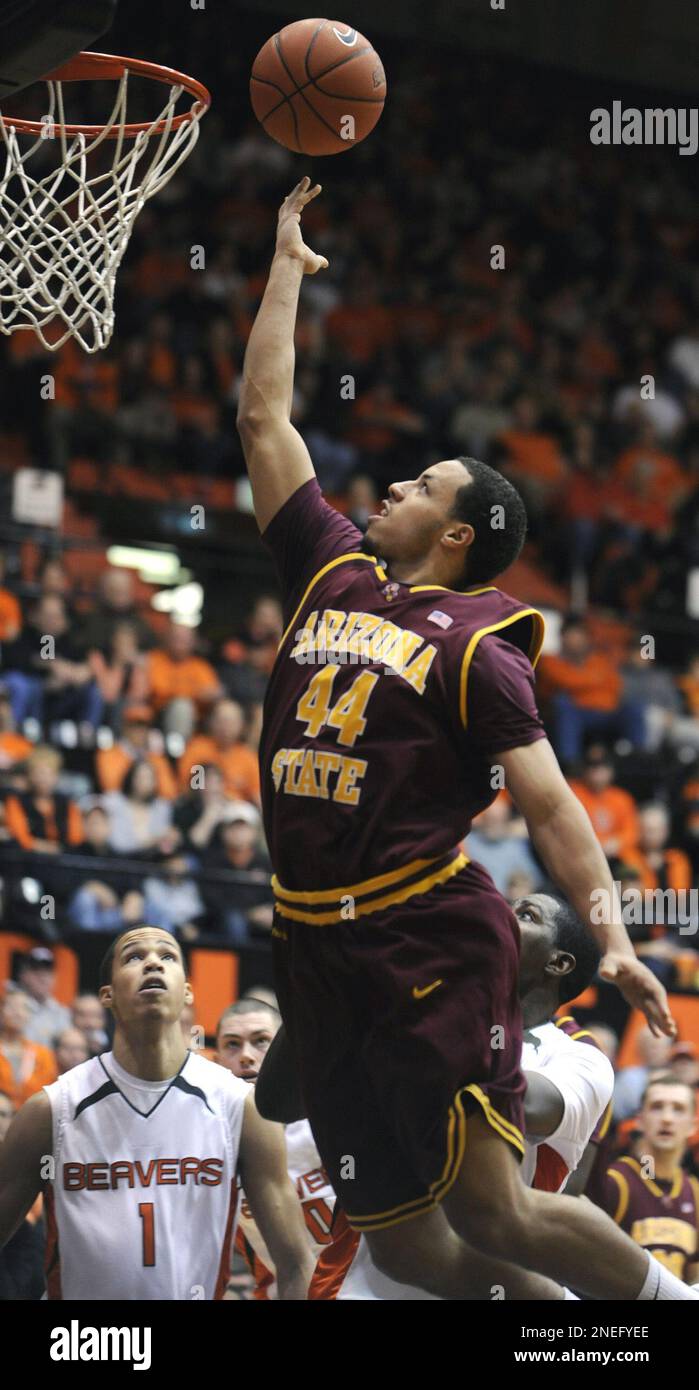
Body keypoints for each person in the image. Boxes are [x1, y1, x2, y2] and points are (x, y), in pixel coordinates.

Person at [236, 177, 686, 1303]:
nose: (387, 486)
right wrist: (287, 265)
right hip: (315, 940)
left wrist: (613, 934)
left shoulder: (483, 647)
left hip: (424, 933)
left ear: (455, 531)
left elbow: (550, 806)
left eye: (417, 484)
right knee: (405, 1246)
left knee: (494, 1207)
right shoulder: (334, 571)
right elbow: (263, 420)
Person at [258, 892, 614, 1300]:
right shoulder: (405, 1013)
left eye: (525, 915)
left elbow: (527, 1104)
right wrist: (329, 981)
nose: (497, 913)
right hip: (351, 1288)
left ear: (558, 962)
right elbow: (277, 1102)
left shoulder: (576, 1058)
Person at [0, 925, 314, 1300]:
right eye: (134, 956)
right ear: (108, 995)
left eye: (167, 956)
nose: (152, 962)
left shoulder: (239, 1106)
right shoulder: (52, 1109)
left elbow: (295, 1264)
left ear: (187, 992)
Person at [216, 998, 336, 1300]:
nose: (245, 1056)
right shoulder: (212, 1145)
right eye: (232, 1045)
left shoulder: (332, 1120)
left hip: (363, 1286)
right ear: (216, 1060)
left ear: (285, 1053)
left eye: (261, 1041)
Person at [596, 1075, 699, 1283]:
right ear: (640, 1120)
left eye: (678, 1109)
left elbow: (694, 1278)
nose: (667, 1118)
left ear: (692, 1125)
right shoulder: (616, 1181)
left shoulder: (694, 1191)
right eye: (657, 1107)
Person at [177, 699, 260, 803]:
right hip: (202, 805)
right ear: (211, 722)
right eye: (222, 721)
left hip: (237, 810)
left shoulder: (247, 756)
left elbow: (257, 794)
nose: (226, 727)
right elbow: (191, 788)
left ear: (242, 726)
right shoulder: (197, 749)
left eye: (231, 722)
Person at [102, 759, 174, 856]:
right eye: (141, 777)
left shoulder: (162, 807)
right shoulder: (112, 802)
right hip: (117, 860)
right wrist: (154, 840)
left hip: (152, 863)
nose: (145, 782)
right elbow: (119, 844)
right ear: (131, 778)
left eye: (150, 778)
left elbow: (165, 847)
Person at [0, 989, 56, 1108]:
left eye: (24, 1008)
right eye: (12, 1006)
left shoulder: (43, 1054)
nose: (18, 1013)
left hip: (31, 1117)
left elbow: (48, 1094)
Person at [15, 947, 71, 1049]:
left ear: (55, 978)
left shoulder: (62, 1013)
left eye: (48, 972)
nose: (42, 977)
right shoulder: (13, 1008)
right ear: (23, 975)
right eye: (36, 971)